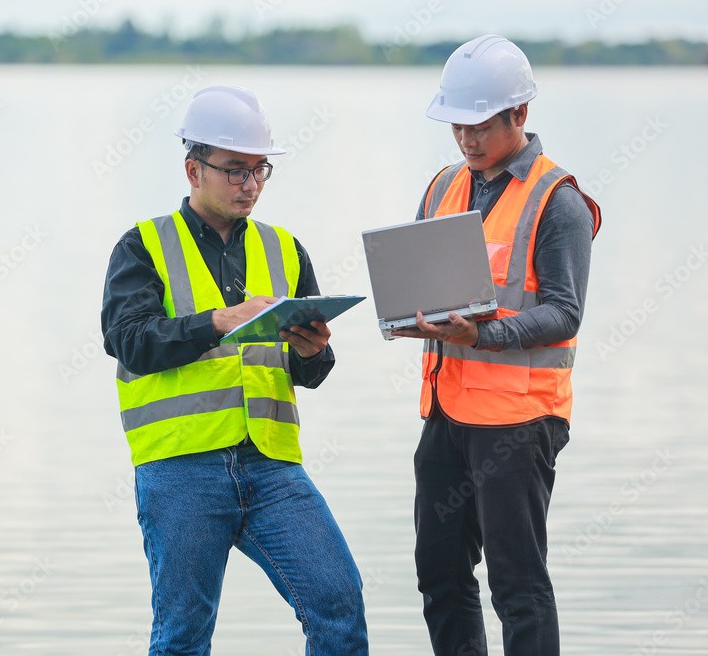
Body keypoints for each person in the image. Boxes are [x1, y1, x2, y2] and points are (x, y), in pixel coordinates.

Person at [101, 85, 368, 655]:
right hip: (180, 470)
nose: (250, 185)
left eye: (259, 171)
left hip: (272, 466)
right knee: (183, 637)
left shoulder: (286, 248)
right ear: (194, 170)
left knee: (339, 607)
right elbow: (128, 342)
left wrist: (312, 350)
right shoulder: (142, 246)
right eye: (235, 171)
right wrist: (217, 320)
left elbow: (314, 370)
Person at [393, 35, 602, 655]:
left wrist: (483, 334)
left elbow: (564, 314)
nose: (467, 140)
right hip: (447, 413)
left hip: (519, 421)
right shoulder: (441, 187)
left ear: (521, 114)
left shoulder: (557, 199)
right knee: (440, 573)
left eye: (481, 126)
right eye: (457, 125)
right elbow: (426, 282)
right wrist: (411, 315)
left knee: (517, 582)